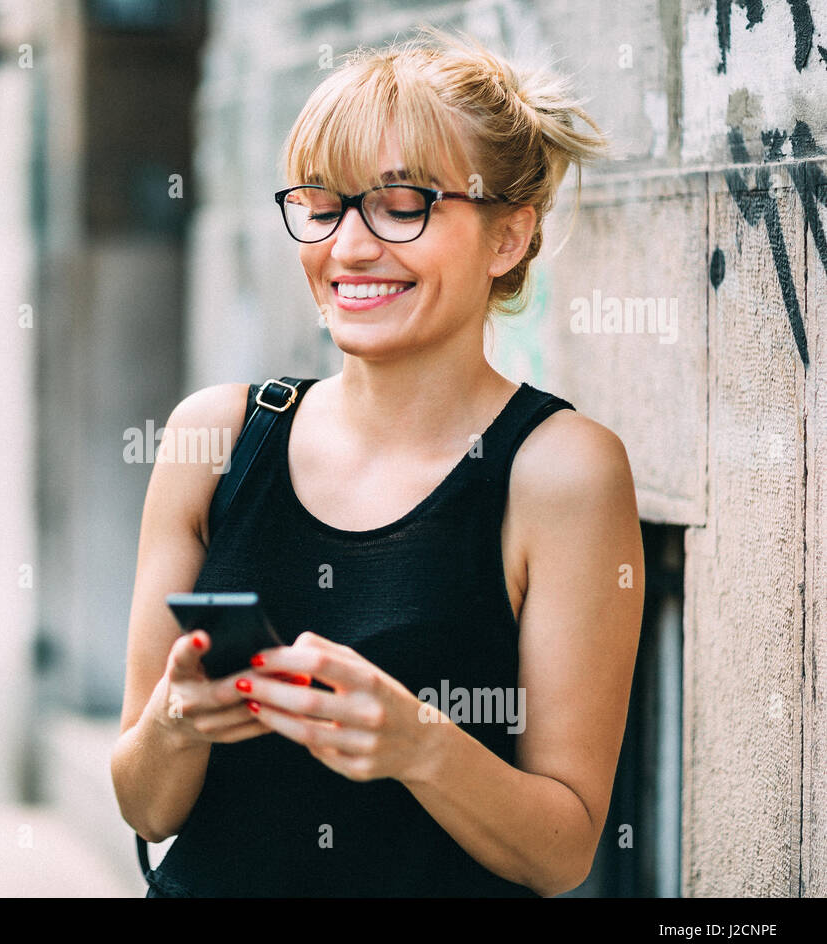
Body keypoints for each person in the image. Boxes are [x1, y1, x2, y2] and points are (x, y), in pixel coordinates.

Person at [110, 30, 644, 897]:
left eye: (403, 206)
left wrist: (418, 744)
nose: (350, 248)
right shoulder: (214, 437)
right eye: (322, 207)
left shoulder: (562, 471)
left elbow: (562, 850)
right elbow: (145, 810)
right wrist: (177, 722)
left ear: (508, 238)